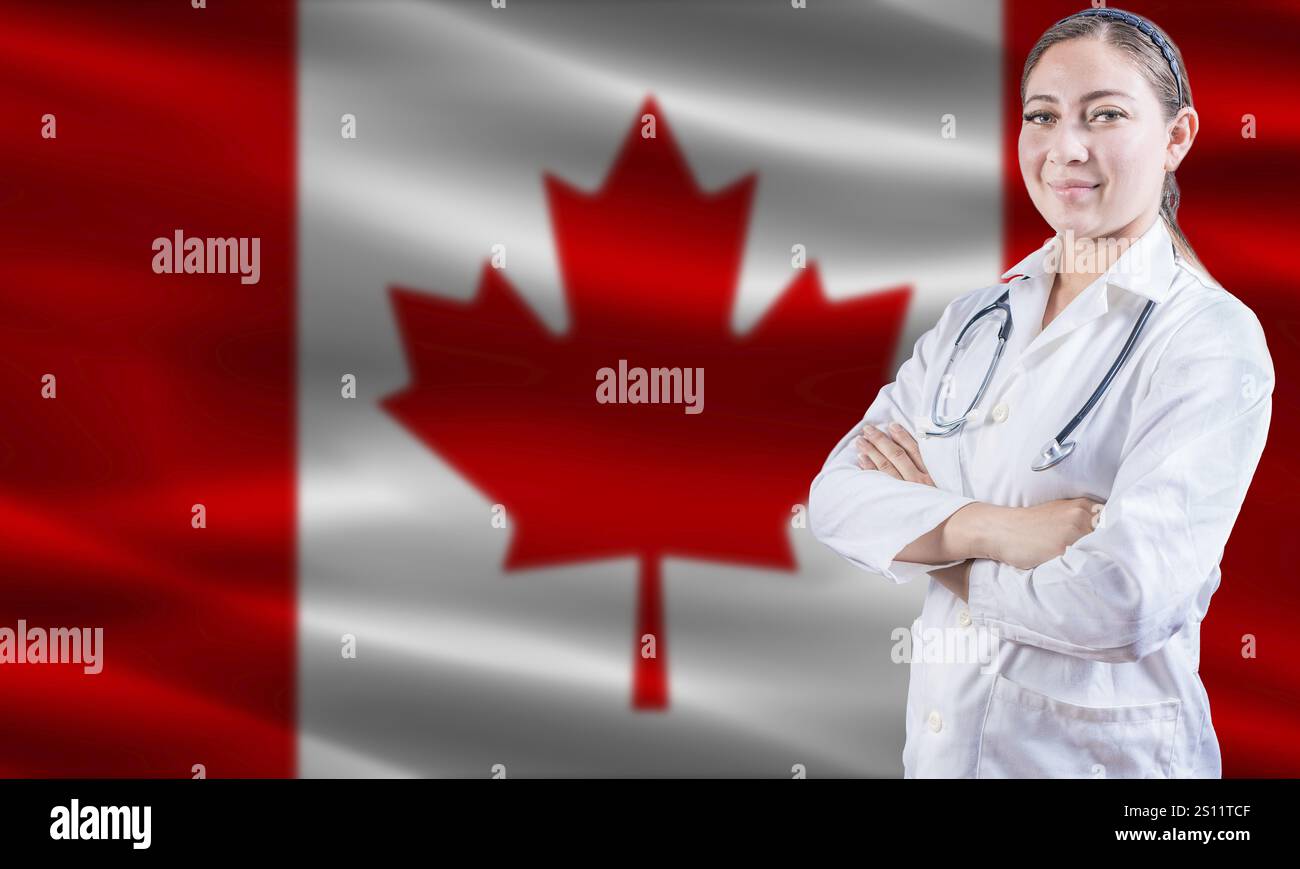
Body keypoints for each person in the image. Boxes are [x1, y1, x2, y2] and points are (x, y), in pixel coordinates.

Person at [808, 7, 1273, 778]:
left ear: (1178, 137)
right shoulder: (977, 318)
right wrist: (1002, 530)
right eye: (1043, 116)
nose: (1067, 148)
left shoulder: (1208, 339)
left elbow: (1123, 600)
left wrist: (939, 551)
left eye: (1106, 115)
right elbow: (835, 498)